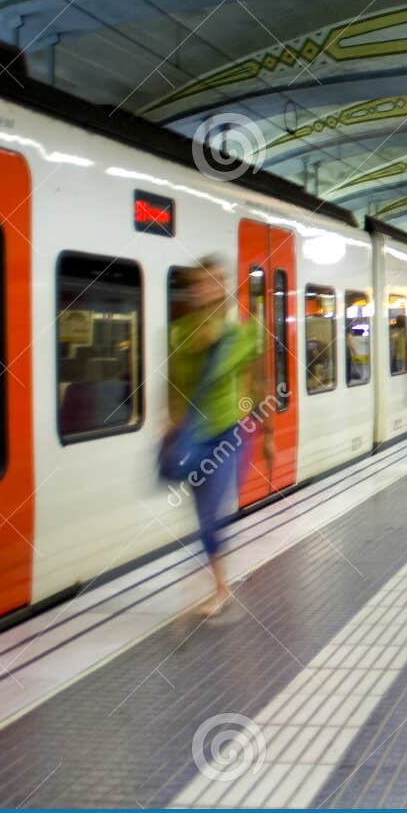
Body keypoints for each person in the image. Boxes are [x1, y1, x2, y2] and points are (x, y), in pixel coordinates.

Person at [165, 258, 274, 618]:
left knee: (214, 513)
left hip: (230, 433)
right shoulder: (178, 333)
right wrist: (171, 424)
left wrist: (268, 433)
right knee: (203, 516)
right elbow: (173, 387)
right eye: (197, 283)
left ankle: (220, 587)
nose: (203, 289)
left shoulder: (242, 334)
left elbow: (258, 385)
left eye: (211, 283)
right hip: (194, 435)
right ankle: (220, 582)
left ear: (222, 289)